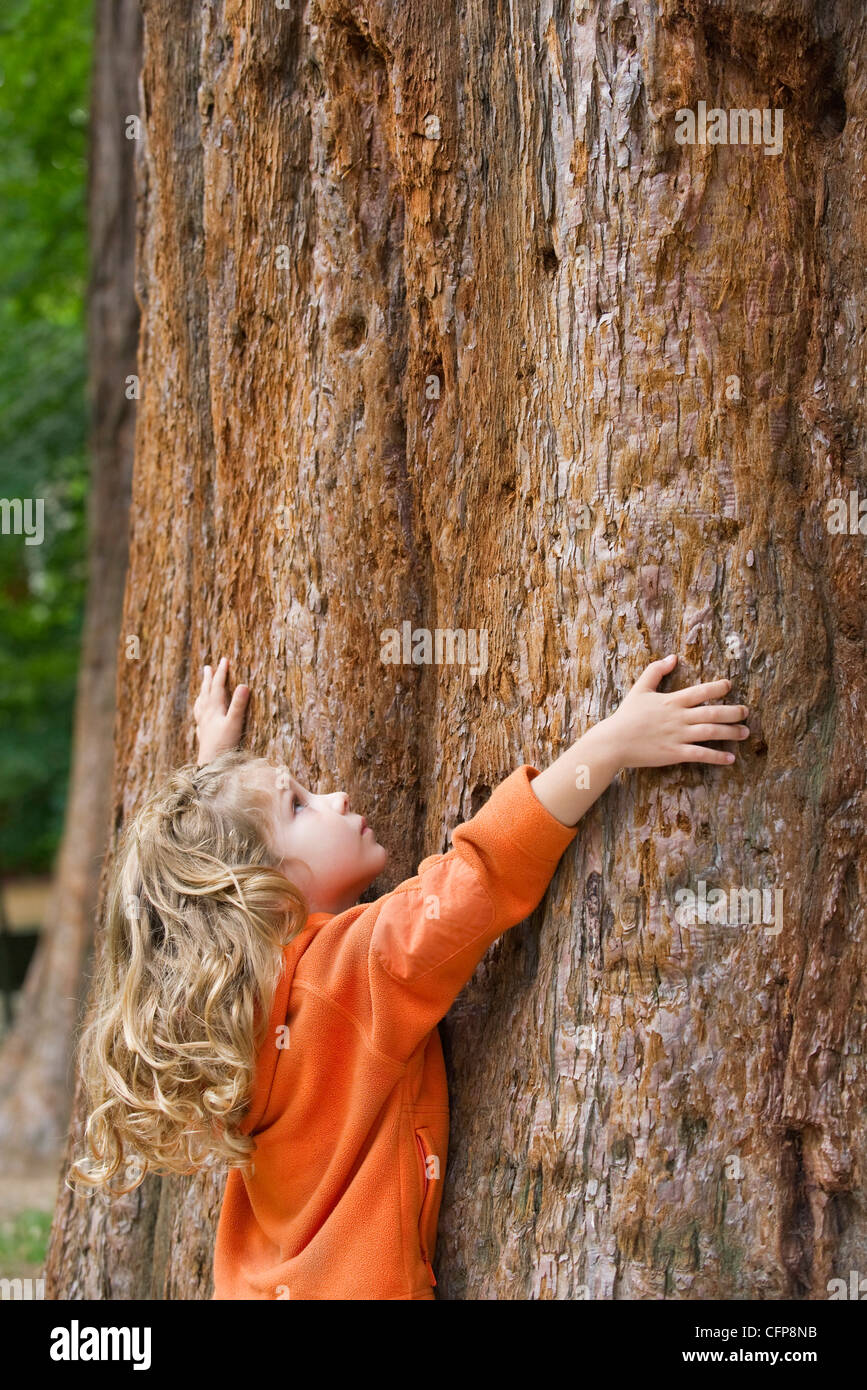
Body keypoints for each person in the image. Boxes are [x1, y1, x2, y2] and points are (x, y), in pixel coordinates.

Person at [68, 652, 749, 1298]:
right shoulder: (358, 970)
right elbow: (481, 875)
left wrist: (215, 765)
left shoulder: (219, 1011)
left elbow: (204, 897)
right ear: (260, 889)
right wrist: (611, 746)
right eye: (300, 805)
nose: (333, 796)